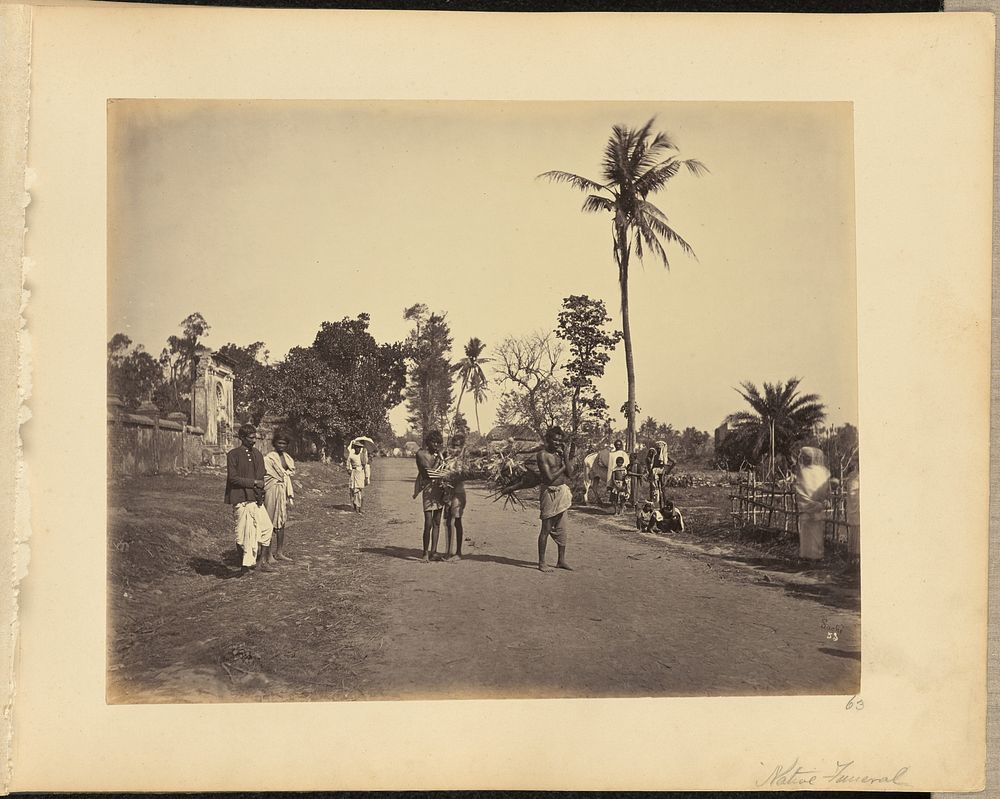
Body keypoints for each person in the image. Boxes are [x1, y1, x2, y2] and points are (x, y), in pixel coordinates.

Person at [225, 423, 275, 576]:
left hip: (255, 500)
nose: (254, 441)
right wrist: (253, 483)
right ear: (241, 438)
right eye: (250, 438)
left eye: (255, 438)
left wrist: (260, 494)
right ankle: (244, 567)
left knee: (266, 528)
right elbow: (233, 479)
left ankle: (261, 563)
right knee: (242, 535)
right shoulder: (233, 455)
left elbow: (261, 477)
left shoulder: (258, 455)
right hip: (240, 499)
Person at [537, 425, 574, 572]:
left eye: (560, 440)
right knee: (545, 528)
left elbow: (570, 474)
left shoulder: (560, 454)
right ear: (548, 439)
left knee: (562, 529)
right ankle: (541, 562)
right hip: (549, 493)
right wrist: (563, 467)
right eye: (555, 440)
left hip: (562, 492)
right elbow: (549, 477)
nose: (557, 443)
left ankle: (561, 560)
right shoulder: (542, 455)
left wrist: (565, 455)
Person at [263, 430, 296, 562]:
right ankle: (268, 554)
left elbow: (288, 473)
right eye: (279, 443)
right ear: (274, 444)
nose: (281, 446)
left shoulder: (288, 458)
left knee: (281, 520)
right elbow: (268, 475)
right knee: (269, 520)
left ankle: (279, 552)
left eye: (284, 443)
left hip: (282, 491)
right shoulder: (269, 458)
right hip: (271, 490)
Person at [414, 430, 446, 562]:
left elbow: (445, 470)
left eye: (438, 443)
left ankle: (434, 552)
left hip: (440, 489)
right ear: (428, 442)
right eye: (434, 442)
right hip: (428, 489)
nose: (436, 445)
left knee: (437, 522)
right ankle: (425, 553)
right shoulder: (421, 454)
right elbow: (428, 473)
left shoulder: (440, 455)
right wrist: (445, 472)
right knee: (428, 523)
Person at [795, 446, 831, 561]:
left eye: (805, 457)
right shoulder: (822, 471)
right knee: (815, 534)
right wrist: (819, 502)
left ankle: (808, 558)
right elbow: (824, 489)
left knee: (809, 534)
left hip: (808, 508)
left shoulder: (804, 472)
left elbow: (801, 490)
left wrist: (809, 503)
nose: (804, 460)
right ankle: (815, 557)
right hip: (817, 507)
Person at [443, 432, 468, 561]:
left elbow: (461, 474)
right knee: (447, 522)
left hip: (458, 493)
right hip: (448, 493)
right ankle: (448, 551)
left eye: (458, 446)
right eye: (454, 445)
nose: (456, 448)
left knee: (457, 521)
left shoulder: (463, 460)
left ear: (462, 446)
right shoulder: (448, 458)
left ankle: (458, 552)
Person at [346, 438, 370, 513]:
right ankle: (355, 507)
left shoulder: (362, 456)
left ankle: (361, 508)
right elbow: (347, 464)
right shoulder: (351, 455)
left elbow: (366, 466)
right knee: (353, 491)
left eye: (360, 448)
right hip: (354, 473)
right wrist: (349, 470)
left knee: (361, 491)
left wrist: (366, 477)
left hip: (361, 473)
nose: (358, 449)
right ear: (354, 448)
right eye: (357, 447)